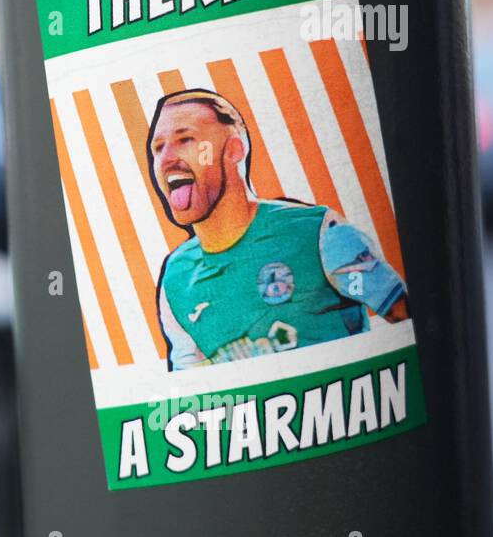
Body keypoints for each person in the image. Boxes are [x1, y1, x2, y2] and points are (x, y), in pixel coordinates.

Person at [148, 88, 408, 371]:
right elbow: (194, 386)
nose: (166, 159)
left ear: (234, 149)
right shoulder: (176, 279)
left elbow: (404, 318)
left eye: (185, 139)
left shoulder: (317, 233)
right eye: (158, 148)